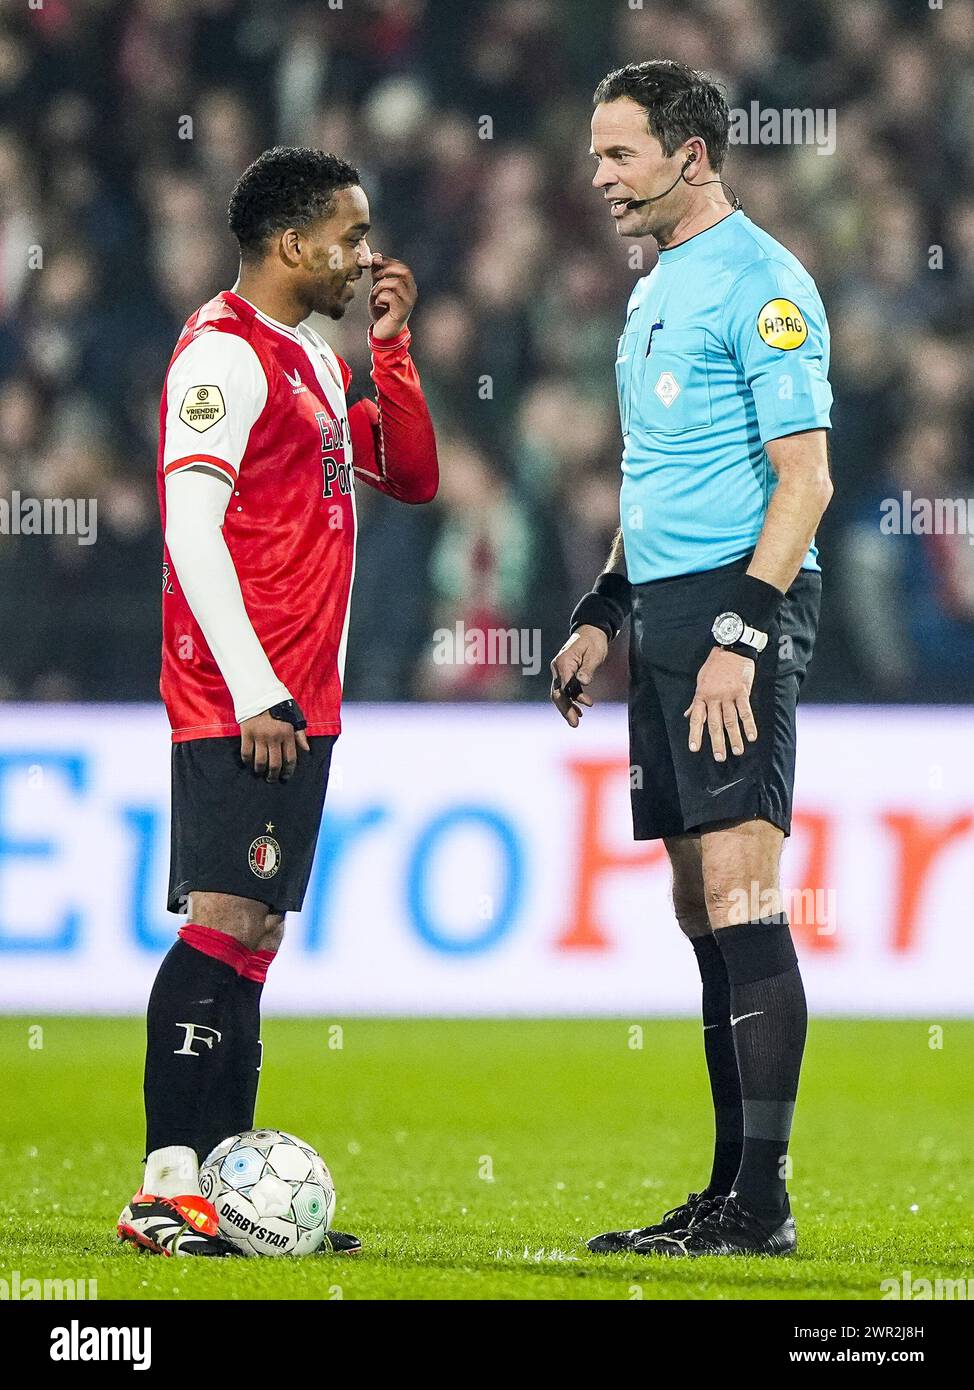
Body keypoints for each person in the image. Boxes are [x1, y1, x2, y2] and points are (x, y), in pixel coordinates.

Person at [118, 146, 438, 1256]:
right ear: (293, 242)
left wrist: (388, 351)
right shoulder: (222, 356)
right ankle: (164, 1186)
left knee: (253, 934)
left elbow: (412, 474)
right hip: (238, 697)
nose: (365, 253)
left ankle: (224, 1191)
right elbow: (190, 526)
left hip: (299, 698)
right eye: (349, 236)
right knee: (221, 923)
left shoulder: (305, 351)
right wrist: (254, 690)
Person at [550, 62, 833, 1257]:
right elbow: (655, 474)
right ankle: (724, 1191)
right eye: (597, 154)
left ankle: (758, 1204)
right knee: (692, 907)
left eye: (619, 154)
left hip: (735, 611)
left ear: (692, 153)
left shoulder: (764, 284)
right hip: (664, 613)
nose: (599, 175)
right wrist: (602, 608)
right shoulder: (655, 284)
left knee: (741, 893)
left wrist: (738, 633)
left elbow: (803, 479)